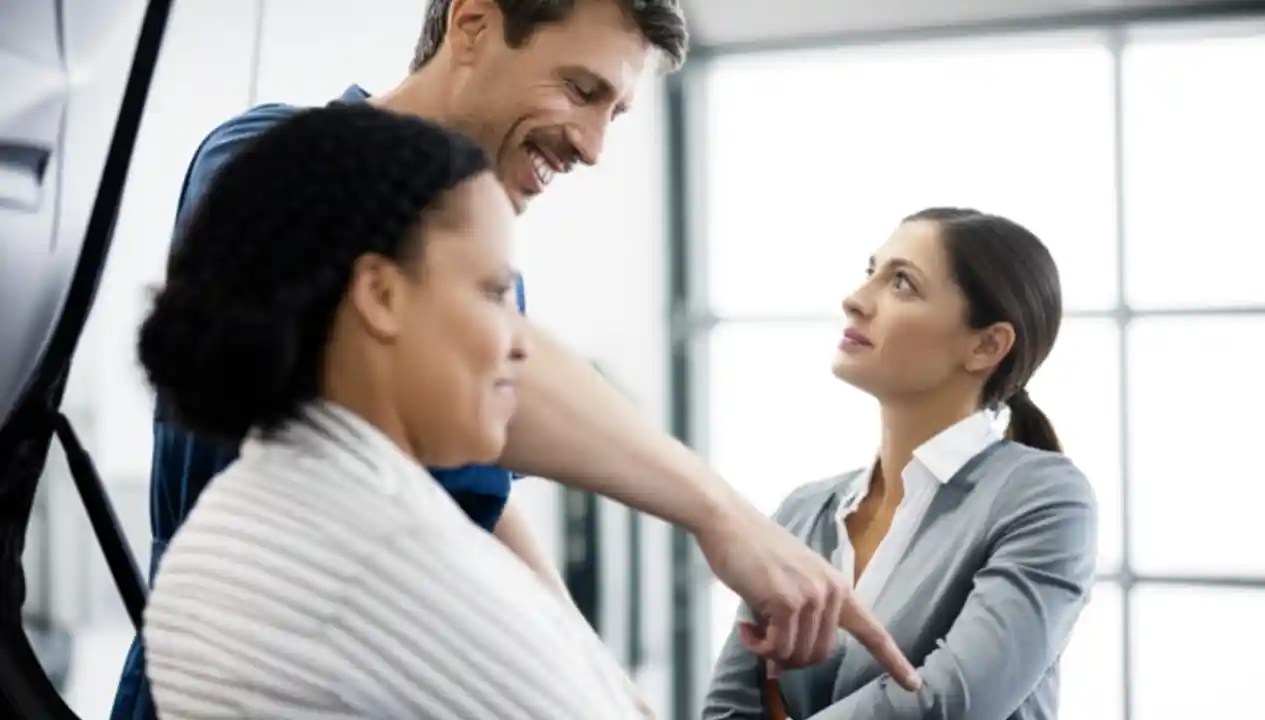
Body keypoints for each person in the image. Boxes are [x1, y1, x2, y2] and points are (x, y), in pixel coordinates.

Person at [113, 1, 918, 717]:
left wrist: (611, 689)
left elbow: (479, 503)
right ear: (471, 26)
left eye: (617, 111)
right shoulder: (271, 161)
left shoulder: (469, 310)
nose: (597, 147)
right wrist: (719, 512)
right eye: (581, 89)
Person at [139, 103, 654, 719]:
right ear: (380, 295)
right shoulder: (387, 561)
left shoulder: (225, 525)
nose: (520, 342)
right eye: (493, 292)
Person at [703, 208, 1099, 720]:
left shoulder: (1043, 497)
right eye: (872, 272)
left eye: (903, 283)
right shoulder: (803, 512)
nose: (856, 298)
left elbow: (947, 706)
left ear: (986, 345)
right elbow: (727, 711)